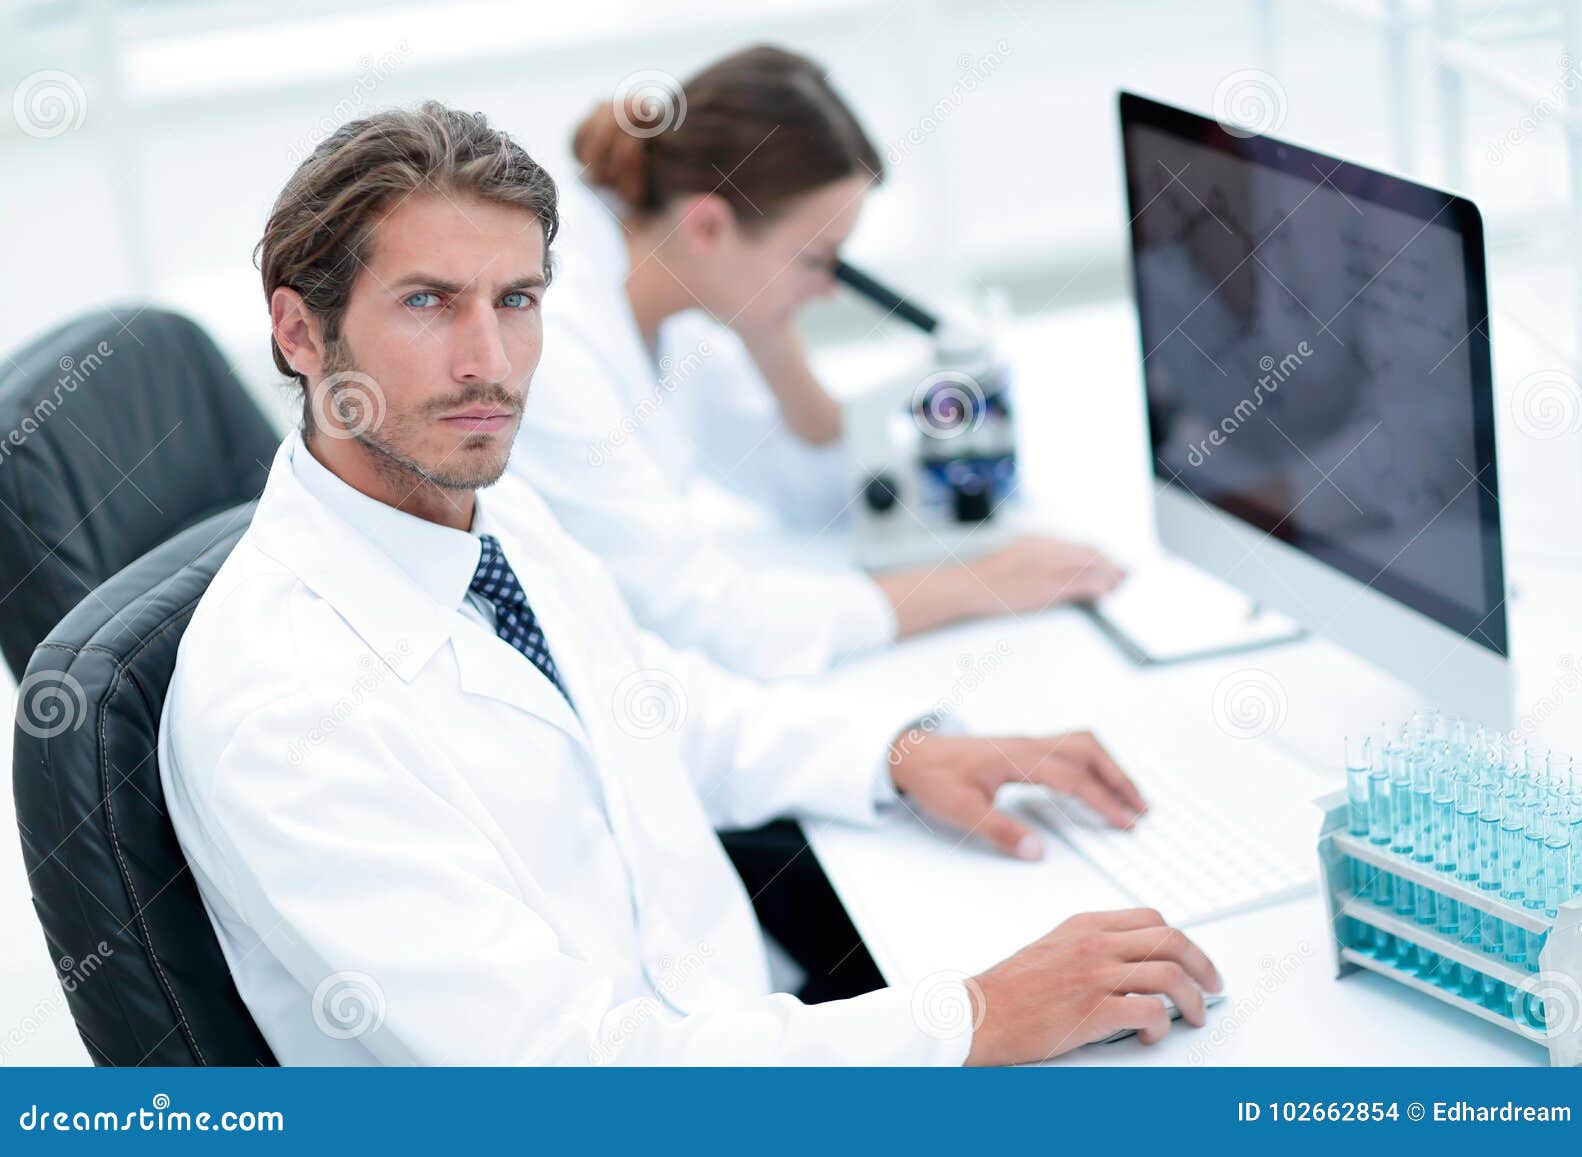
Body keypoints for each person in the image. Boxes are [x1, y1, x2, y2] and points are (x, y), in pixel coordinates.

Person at [158, 102, 1219, 1065]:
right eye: (429, 302)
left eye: (516, 299)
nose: (490, 361)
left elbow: (654, 705)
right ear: (300, 331)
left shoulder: (487, 507)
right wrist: (973, 1016)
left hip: (742, 1017)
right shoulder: (287, 712)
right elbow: (571, 1075)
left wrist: (899, 754)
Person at [508, 45, 1125, 681]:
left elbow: (815, 494)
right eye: (817, 259)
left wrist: (769, 328)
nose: (829, 288)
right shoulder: (553, 345)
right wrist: (979, 585)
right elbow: (708, 621)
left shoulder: (674, 290)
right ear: (709, 226)